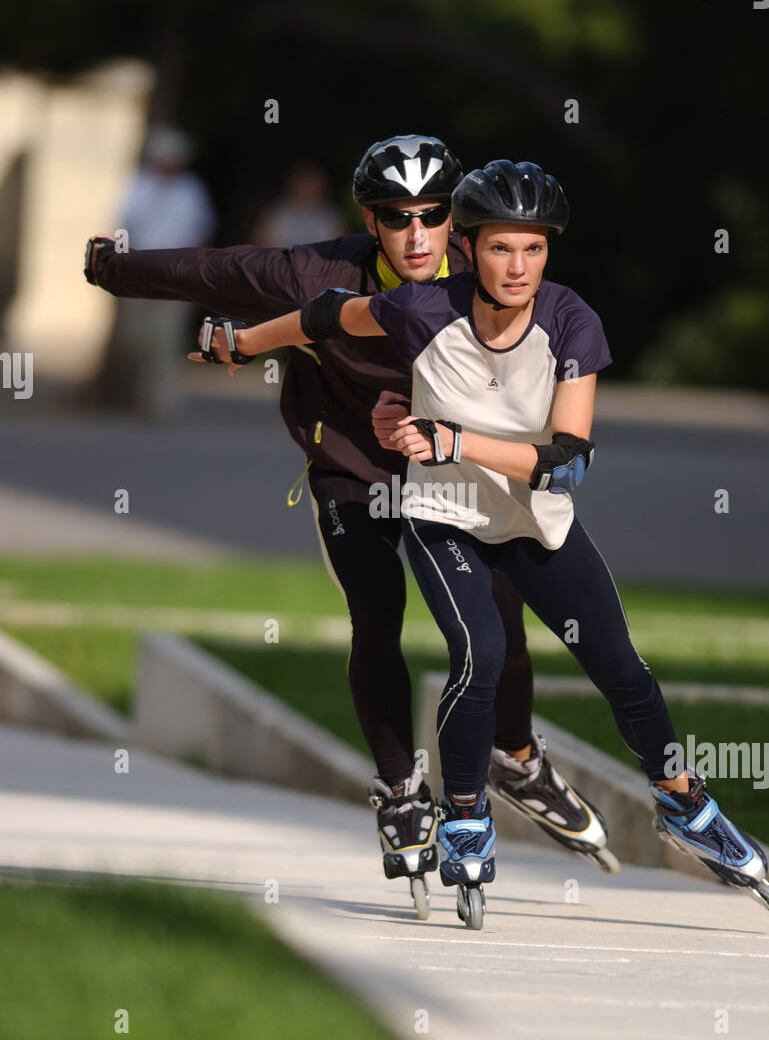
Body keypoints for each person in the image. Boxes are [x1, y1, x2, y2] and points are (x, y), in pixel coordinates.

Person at [197, 159, 769, 929]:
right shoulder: (419, 308)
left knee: (622, 668)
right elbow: (325, 316)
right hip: (444, 518)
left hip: (533, 518)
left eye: (534, 250)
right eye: (501, 249)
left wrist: (452, 438)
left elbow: (569, 459)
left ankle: (681, 802)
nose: (518, 267)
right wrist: (243, 343)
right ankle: (467, 814)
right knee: (479, 655)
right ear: (468, 249)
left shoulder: (573, 321)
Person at [85, 137, 617, 918]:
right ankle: (401, 788)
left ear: (456, 223)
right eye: (397, 219)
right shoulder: (316, 274)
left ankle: (517, 759)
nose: (416, 236)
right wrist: (111, 268)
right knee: (377, 611)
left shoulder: (486, 275)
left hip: (452, 472)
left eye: (433, 217)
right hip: (350, 467)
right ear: (370, 220)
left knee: (501, 615)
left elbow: (551, 357)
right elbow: (214, 270)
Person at [91, 125, 216, 418]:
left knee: (165, 337)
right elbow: (122, 227)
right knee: (132, 337)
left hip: (177, 272)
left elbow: (201, 234)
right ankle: (131, 396)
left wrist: (199, 275)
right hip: (140, 270)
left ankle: (159, 401)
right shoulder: (138, 185)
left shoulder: (191, 190)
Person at [252, 162, 345, 247]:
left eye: (311, 183)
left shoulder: (331, 217)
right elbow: (261, 247)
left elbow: (340, 249)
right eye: (303, 182)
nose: (307, 189)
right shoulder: (276, 214)